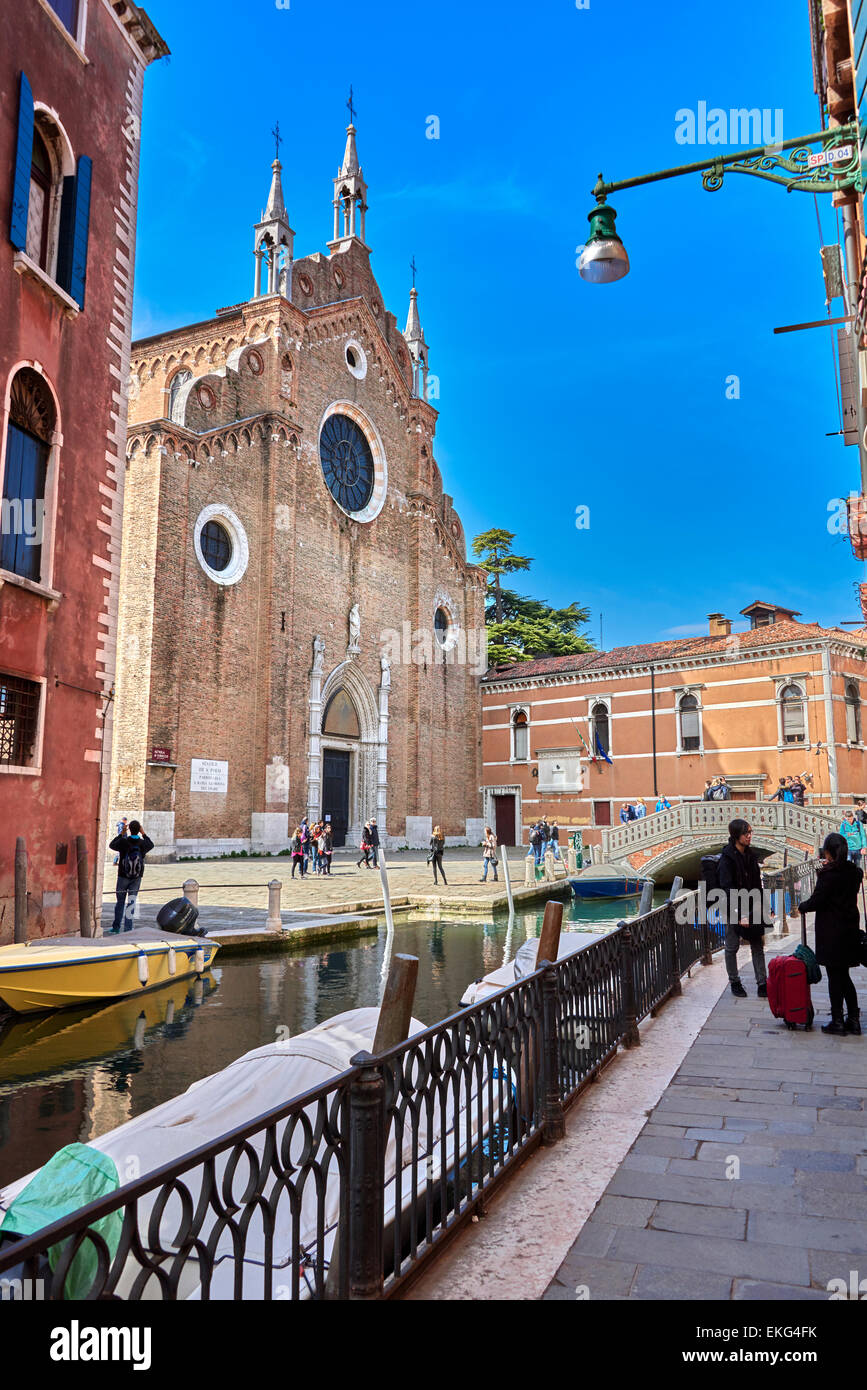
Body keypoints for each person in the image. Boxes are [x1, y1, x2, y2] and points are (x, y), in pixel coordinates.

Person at [798, 832, 863, 1034]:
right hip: (850, 928)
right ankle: (853, 1018)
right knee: (844, 976)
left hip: (832, 931)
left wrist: (803, 906)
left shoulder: (829, 875)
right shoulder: (855, 872)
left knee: (836, 977)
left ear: (828, 852)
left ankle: (838, 1021)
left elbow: (818, 900)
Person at [718, 818, 767, 999]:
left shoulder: (751, 856)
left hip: (752, 904)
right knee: (732, 946)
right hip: (732, 906)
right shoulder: (726, 859)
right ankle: (735, 982)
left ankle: (762, 983)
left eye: (750, 832)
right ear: (736, 835)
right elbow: (727, 888)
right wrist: (740, 914)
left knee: (757, 945)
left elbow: (756, 883)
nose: (749, 836)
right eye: (746, 833)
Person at [107, 820, 154, 933]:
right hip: (137, 877)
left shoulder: (124, 841)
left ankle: (116, 927)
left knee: (120, 902)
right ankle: (128, 928)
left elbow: (111, 845)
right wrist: (144, 833)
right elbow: (151, 844)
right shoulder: (143, 843)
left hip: (123, 875)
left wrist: (122, 833)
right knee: (131, 902)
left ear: (129, 829)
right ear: (139, 830)